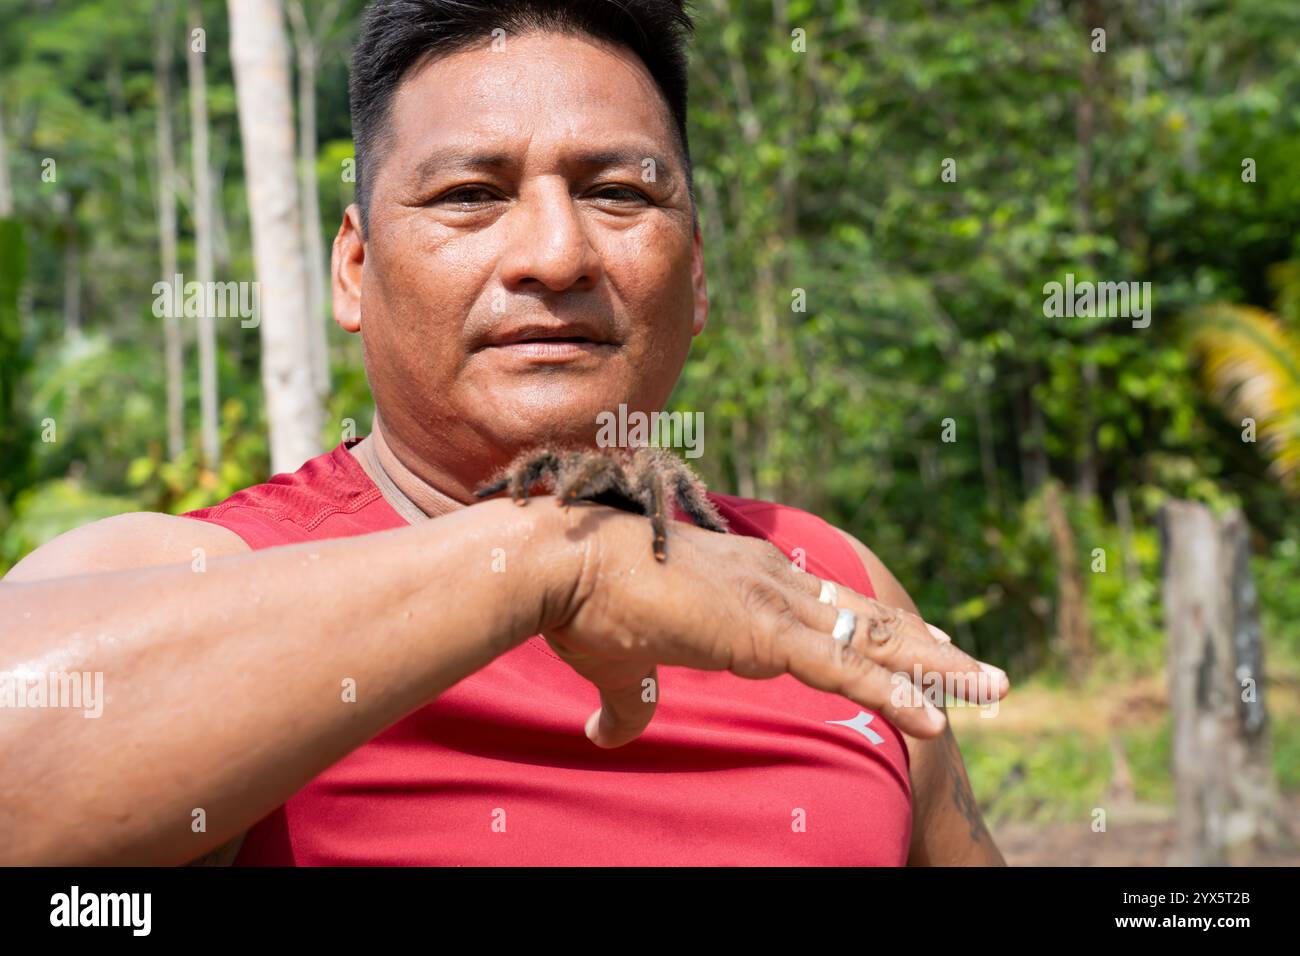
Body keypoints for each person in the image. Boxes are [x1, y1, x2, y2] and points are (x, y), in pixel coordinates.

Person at [0, 0, 1007, 866]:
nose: (556, 252)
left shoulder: (826, 588)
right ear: (354, 271)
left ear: (696, 274)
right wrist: (552, 563)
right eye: (470, 195)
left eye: (618, 192)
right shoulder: (205, 577)